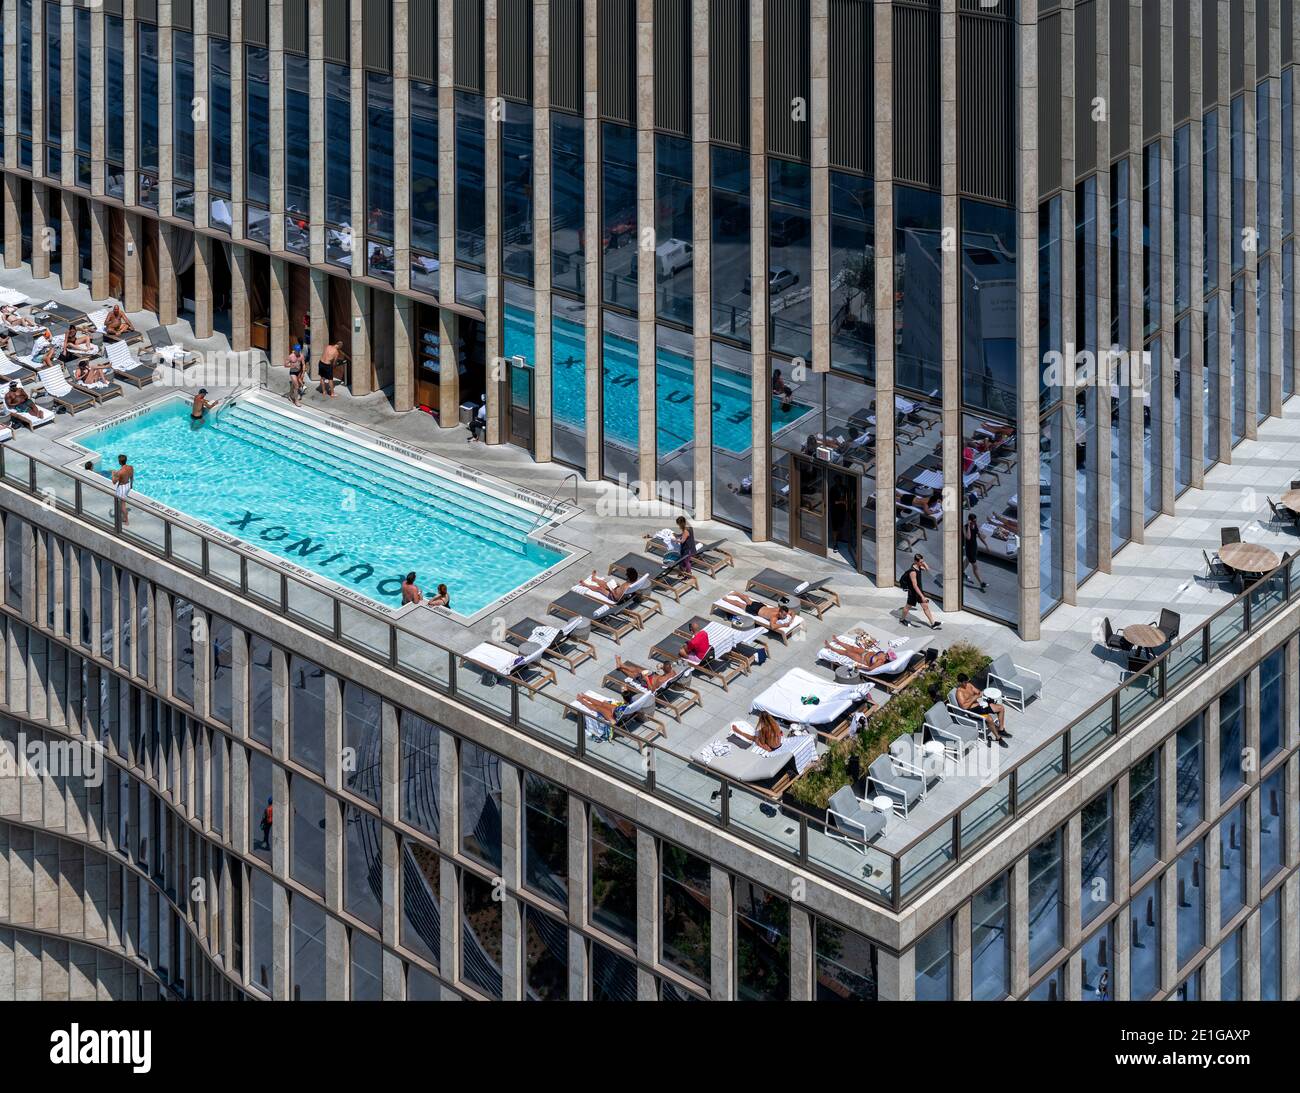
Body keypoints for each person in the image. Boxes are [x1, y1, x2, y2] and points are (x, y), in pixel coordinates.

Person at [955, 673, 1008, 746]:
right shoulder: (959, 692)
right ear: (960, 682)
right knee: (989, 719)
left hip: (980, 705)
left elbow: (979, 692)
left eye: (967, 681)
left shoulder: (969, 685)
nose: (966, 683)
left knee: (1001, 708)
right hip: (972, 711)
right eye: (965, 682)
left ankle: (1001, 729)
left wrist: (973, 698)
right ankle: (998, 738)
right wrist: (974, 697)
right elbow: (964, 707)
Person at [900, 553, 941, 629]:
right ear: (916, 561)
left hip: (919, 590)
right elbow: (915, 586)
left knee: (925, 606)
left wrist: (924, 563)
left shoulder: (919, 566)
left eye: (922, 561)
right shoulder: (913, 572)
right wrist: (922, 596)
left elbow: (927, 569)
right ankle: (902, 619)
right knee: (908, 606)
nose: (922, 563)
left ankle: (933, 623)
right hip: (913, 592)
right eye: (920, 562)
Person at [575, 685, 641, 724]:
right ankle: (586, 697)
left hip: (615, 717)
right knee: (603, 704)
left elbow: (615, 720)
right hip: (617, 710)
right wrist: (624, 689)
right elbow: (625, 695)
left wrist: (611, 719)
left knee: (598, 707)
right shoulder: (632, 702)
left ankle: (581, 700)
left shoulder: (627, 703)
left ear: (624, 699)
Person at [963, 513, 991, 592]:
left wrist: (986, 545)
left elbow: (979, 535)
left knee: (968, 561)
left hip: (974, 547)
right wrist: (968, 526)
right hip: (969, 549)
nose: (975, 522)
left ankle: (960, 572)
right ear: (969, 520)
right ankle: (981, 583)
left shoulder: (975, 525)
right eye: (973, 521)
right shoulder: (965, 527)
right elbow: (968, 537)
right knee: (975, 566)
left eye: (975, 521)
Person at [111, 453, 133, 527]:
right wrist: (131, 485)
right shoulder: (130, 467)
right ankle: (124, 517)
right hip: (128, 485)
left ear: (119, 462)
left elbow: (114, 482)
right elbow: (132, 477)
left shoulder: (119, 472)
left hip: (122, 488)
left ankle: (126, 520)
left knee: (122, 504)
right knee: (122, 503)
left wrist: (113, 474)